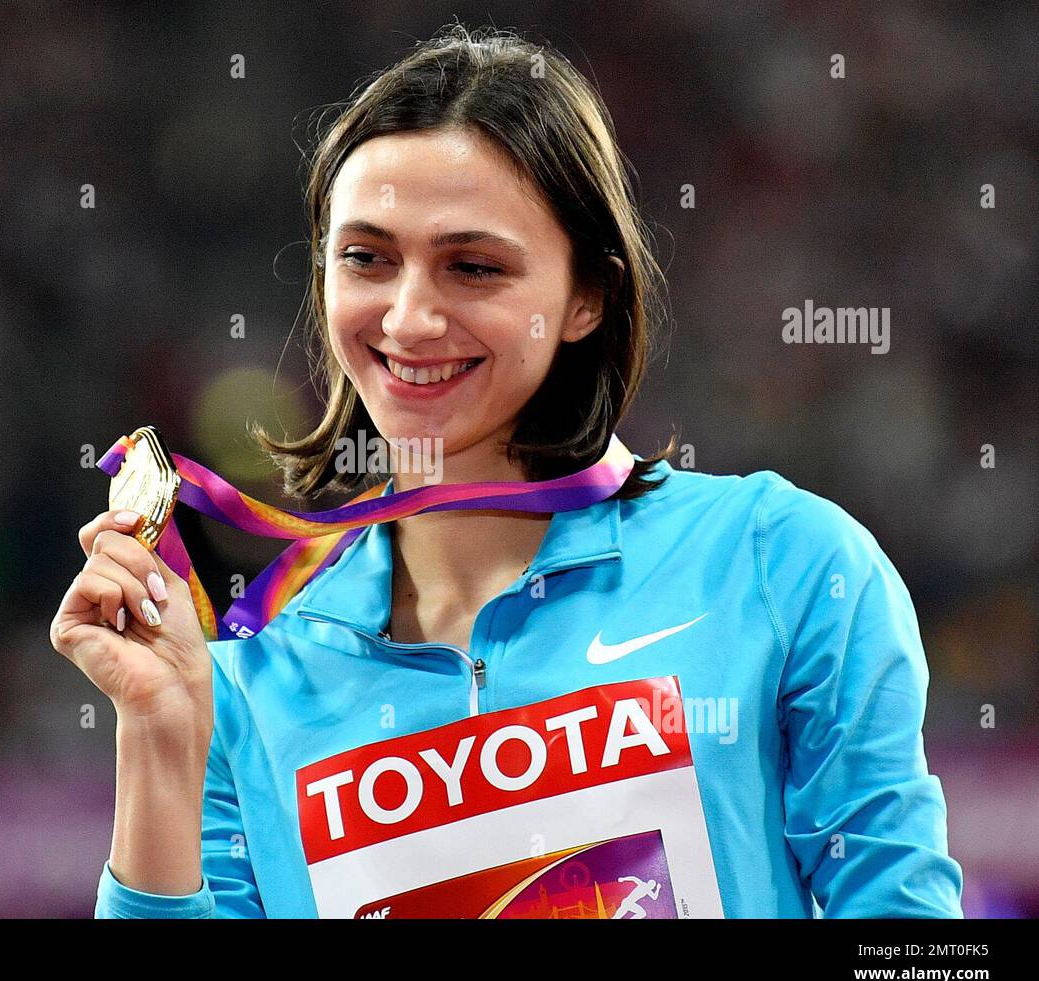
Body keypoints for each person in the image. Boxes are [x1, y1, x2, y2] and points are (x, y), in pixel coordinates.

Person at [50, 24, 964, 919]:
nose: (408, 319)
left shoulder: (780, 565)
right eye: (366, 258)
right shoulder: (253, 679)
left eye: (473, 268)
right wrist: (161, 742)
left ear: (586, 299)